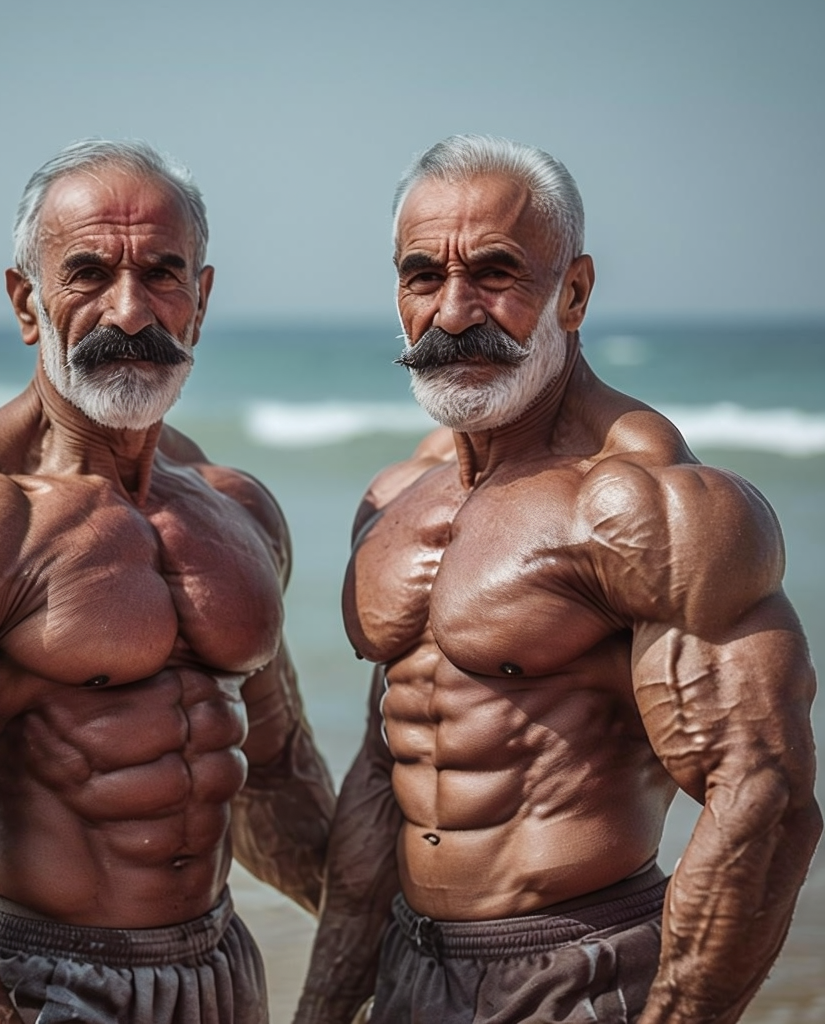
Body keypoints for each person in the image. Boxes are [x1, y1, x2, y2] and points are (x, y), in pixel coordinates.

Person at [294, 134, 821, 1024]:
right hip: (411, 972)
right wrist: (326, 1006)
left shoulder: (643, 502)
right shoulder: (393, 501)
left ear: (573, 292)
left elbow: (765, 803)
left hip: (580, 974)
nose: (454, 312)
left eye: (495, 272)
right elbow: (390, 773)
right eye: (423, 276)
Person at [0, 139, 336, 1024]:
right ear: (27, 302)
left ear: (202, 300)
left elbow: (276, 770)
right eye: (89, 273)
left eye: (163, 274)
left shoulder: (236, 509)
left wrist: (367, 955)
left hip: (226, 974)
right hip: (54, 984)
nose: (130, 309)